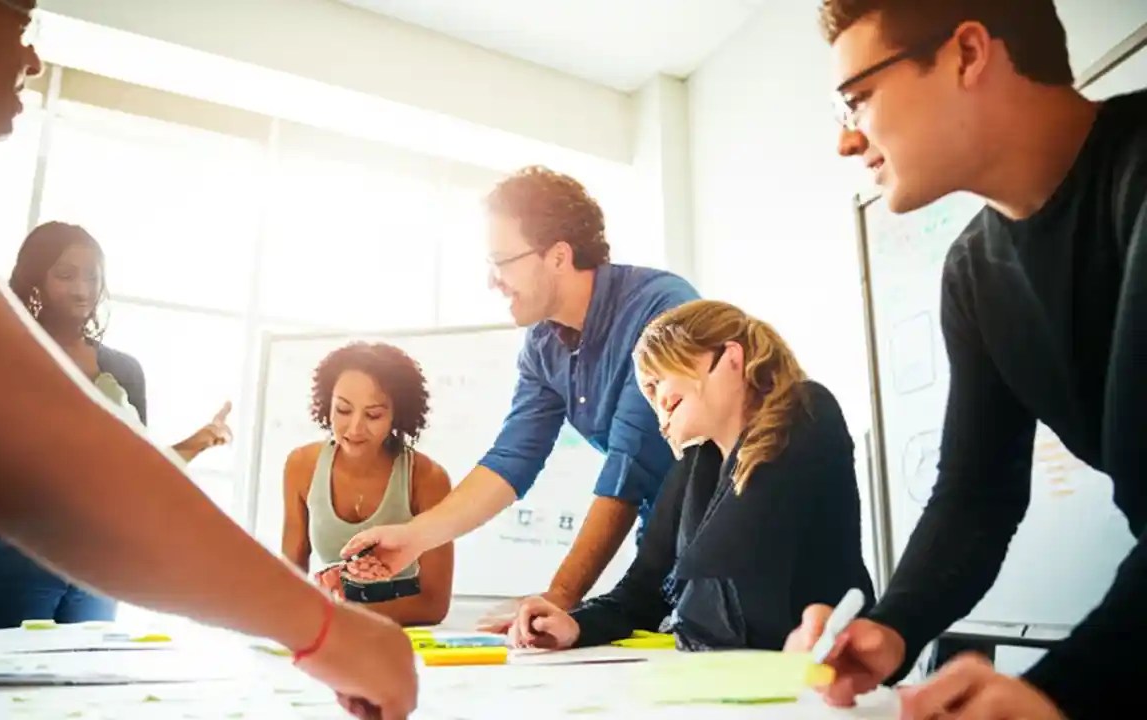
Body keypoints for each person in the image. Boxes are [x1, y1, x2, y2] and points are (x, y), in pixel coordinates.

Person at [0, 2, 413, 716]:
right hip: (9, 558)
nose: (31, 58)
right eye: (18, 19)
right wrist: (324, 631)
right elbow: (51, 460)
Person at [783, 2, 1146, 719]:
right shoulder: (974, 272)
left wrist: (1059, 693)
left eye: (856, 98)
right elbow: (977, 494)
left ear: (969, 54)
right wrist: (891, 625)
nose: (846, 141)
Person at [341, 166, 700, 618]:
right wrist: (414, 537)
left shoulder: (660, 307)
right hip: (664, 550)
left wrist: (562, 595)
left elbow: (629, 467)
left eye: (501, 262)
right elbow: (513, 459)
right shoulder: (543, 344)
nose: (492, 281)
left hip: (731, 537)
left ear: (558, 256)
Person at [506, 300, 875, 652]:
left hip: (820, 669)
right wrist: (576, 625)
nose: (658, 401)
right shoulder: (701, 461)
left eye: (661, 378)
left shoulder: (805, 410)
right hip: (731, 675)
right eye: (648, 388)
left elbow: (716, 561)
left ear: (731, 357)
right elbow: (642, 592)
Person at [0, 222, 234, 639]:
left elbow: (141, 474)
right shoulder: (1, 353)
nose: (82, 289)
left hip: (98, 564)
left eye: (92, 276)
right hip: (18, 554)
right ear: (35, 278)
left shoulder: (123, 370)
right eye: (65, 274)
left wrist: (199, 440)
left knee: (78, 694)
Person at [283, 342, 453, 626]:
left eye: (373, 415)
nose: (354, 428)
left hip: (402, 631)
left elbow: (433, 604)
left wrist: (343, 613)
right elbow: (291, 576)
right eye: (343, 410)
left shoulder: (427, 479)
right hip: (331, 622)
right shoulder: (302, 466)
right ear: (327, 403)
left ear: (397, 414)